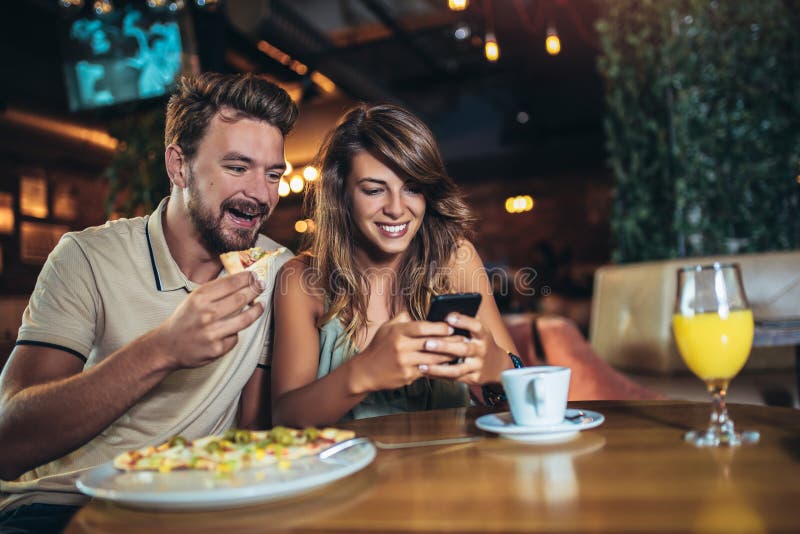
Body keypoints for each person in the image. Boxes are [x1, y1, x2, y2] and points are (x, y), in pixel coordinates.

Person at [0, 72, 297, 530]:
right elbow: (10, 440)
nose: (260, 193)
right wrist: (164, 349)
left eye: (273, 174)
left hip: (194, 505)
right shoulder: (88, 257)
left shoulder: (275, 269)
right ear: (178, 166)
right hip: (59, 505)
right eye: (237, 168)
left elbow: (256, 430)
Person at [271, 103, 520, 427]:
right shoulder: (302, 279)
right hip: (351, 472)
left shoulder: (456, 259)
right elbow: (283, 419)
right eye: (374, 190)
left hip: (455, 469)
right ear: (341, 193)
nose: (396, 209)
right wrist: (362, 373)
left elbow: (527, 394)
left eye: (412, 188)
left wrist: (497, 368)